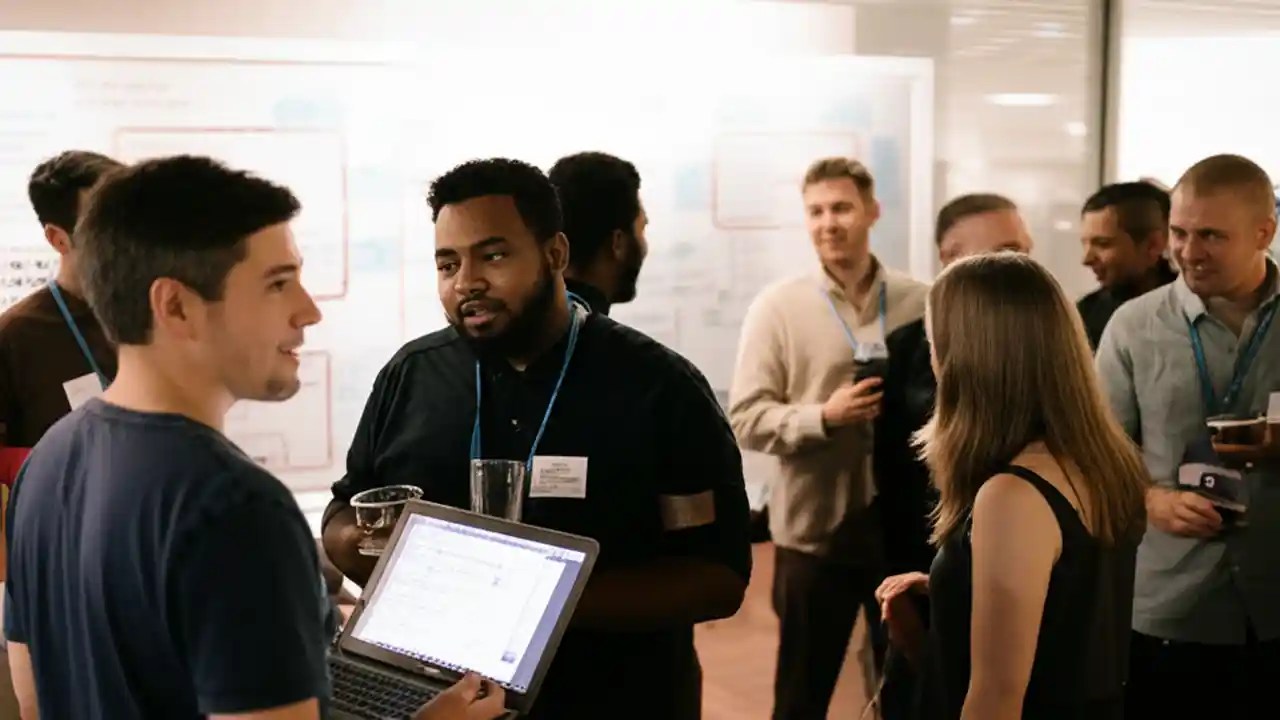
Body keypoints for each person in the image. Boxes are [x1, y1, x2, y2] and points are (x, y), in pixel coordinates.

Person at [3, 155, 505, 720]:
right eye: (277, 284)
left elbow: (34, 700)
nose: (307, 310)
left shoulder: (48, 461)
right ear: (176, 305)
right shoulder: (237, 507)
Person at [322, 158, 751, 720]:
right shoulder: (412, 376)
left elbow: (717, 577)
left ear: (556, 254)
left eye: (493, 255)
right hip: (434, 699)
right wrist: (363, 548)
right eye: (448, 263)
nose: (466, 281)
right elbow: (344, 511)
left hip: (612, 698)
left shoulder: (658, 388)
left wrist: (536, 603)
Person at [876, 252, 1147, 719]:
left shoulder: (1013, 494)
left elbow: (996, 699)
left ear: (969, 356)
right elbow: (1068, 602)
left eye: (934, 340)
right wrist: (951, 590)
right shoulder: (1098, 460)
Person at [728, 157, 928, 720]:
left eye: (841, 207)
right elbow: (745, 418)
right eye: (815, 211)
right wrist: (823, 416)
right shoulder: (779, 307)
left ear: (872, 211)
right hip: (814, 531)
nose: (829, 222)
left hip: (903, 529)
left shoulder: (923, 300)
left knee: (906, 685)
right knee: (802, 691)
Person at [1095, 154, 1280, 718]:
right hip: (1171, 605)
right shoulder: (1132, 325)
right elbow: (1102, 452)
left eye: (1211, 236)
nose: (1189, 251)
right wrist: (1150, 498)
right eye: (1179, 232)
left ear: (1264, 232)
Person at [872, 193, 1032, 719]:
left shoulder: (1039, 362)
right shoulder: (907, 350)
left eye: (1024, 249)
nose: (1027, 264)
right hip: (931, 566)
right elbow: (896, 477)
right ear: (952, 258)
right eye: (1008, 253)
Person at [0, 149, 123, 716]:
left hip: (150, 561)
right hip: (58, 589)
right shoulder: (16, 337)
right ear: (58, 237)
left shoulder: (157, 313)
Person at [1077, 181, 1178, 349]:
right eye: (1085, 244)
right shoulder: (1084, 316)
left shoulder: (1196, 310)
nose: (1086, 259)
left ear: (1153, 245)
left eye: (1102, 244)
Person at [547, 151, 648, 315]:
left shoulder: (513, 326)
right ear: (618, 243)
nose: (645, 245)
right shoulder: (608, 339)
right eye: (641, 229)